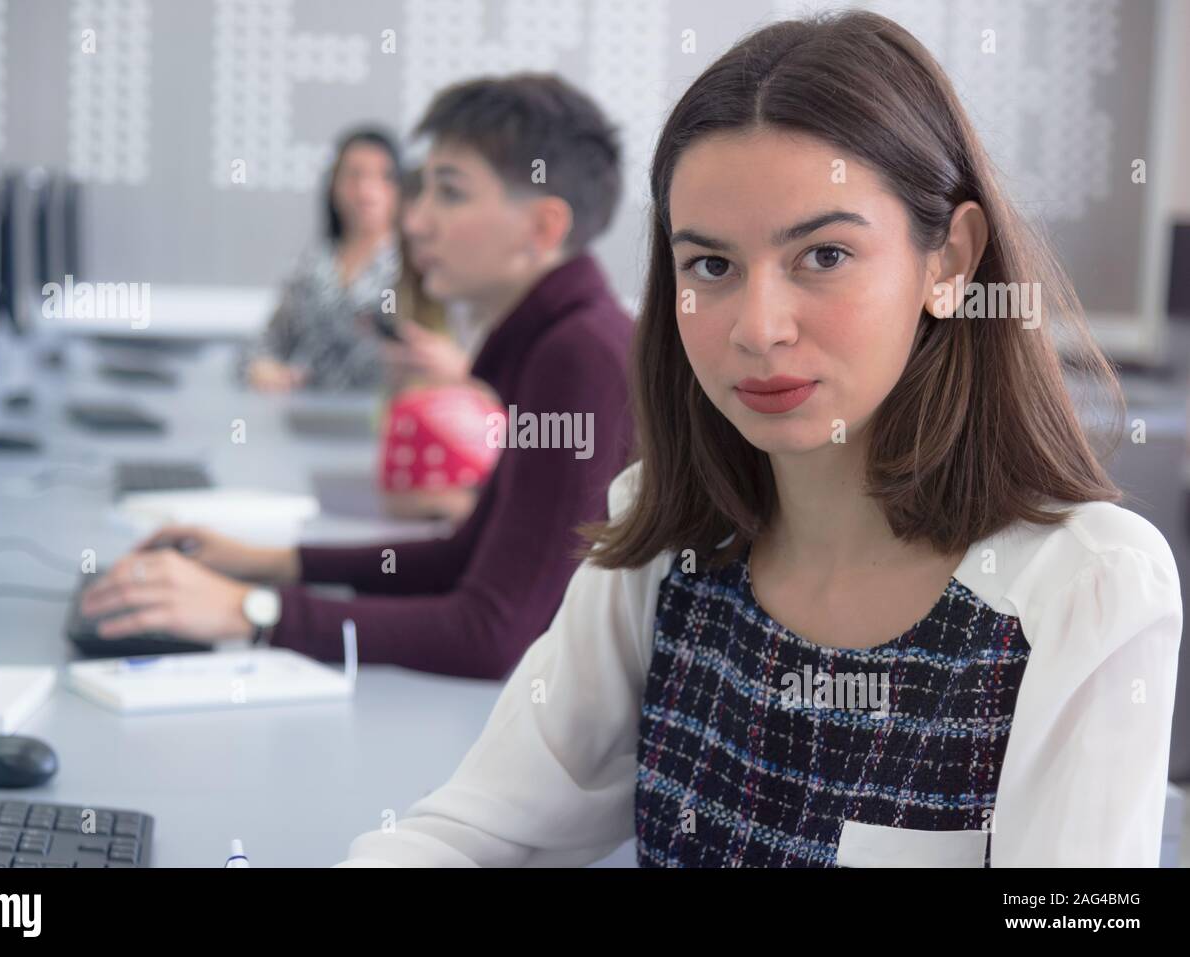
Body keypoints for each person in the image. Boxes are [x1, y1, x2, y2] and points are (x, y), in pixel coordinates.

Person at [329, 11, 1183, 867]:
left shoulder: (1083, 585)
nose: (758, 328)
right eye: (711, 266)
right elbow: (472, 829)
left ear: (949, 263)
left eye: (823, 255)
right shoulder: (665, 545)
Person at [82, 74, 635, 681]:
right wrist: (267, 563)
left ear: (543, 228)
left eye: (448, 194)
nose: (415, 222)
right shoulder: (559, 341)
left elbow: (494, 634)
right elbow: (464, 557)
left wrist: (250, 612)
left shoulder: (576, 359)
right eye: (419, 191)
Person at [240, 127, 407, 393]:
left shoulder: (416, 268)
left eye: (384, 177)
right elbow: (265, 344)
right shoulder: (311, 267)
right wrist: (264, 368)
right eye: (354, 175)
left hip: (384, 418)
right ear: (334, 185)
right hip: (311, 419)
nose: (366, 190)